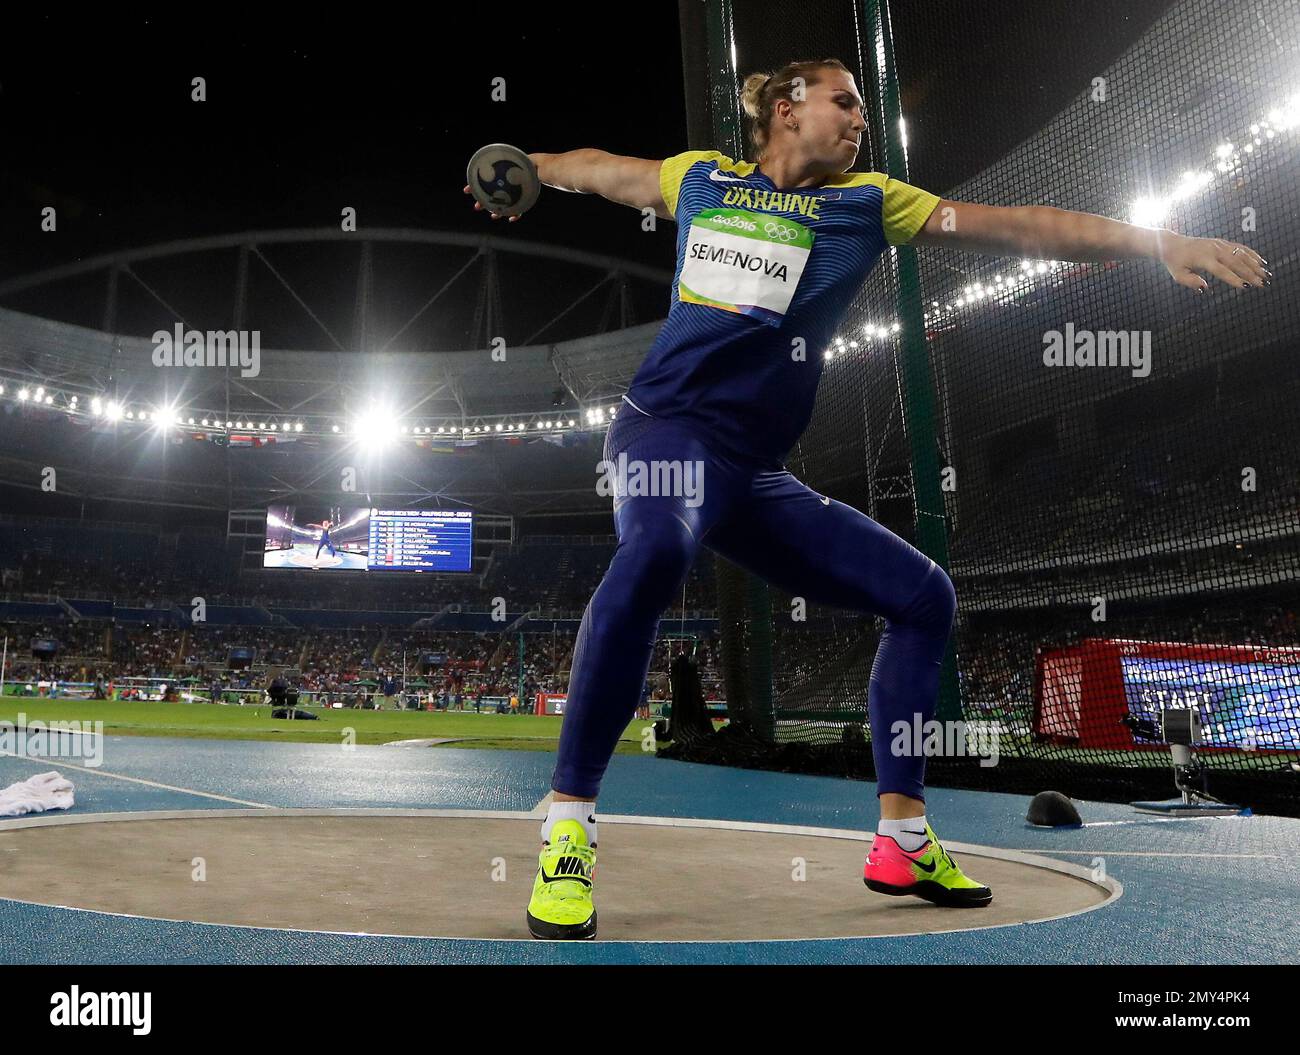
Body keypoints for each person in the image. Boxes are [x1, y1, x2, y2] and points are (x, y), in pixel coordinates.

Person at [467, 59, 1271, 941]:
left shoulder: (872, 201)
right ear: (787, 107)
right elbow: (596, 167)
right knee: (656, 550)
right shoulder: (699, 178)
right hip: (664, 437)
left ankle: (901, 838)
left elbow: (1019, 228)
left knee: (924, 596)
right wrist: (526, 167)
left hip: (754, 472)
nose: (860, 119)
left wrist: (1158, 241)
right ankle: (569, 823)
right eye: (843, 102)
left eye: (862, 106)